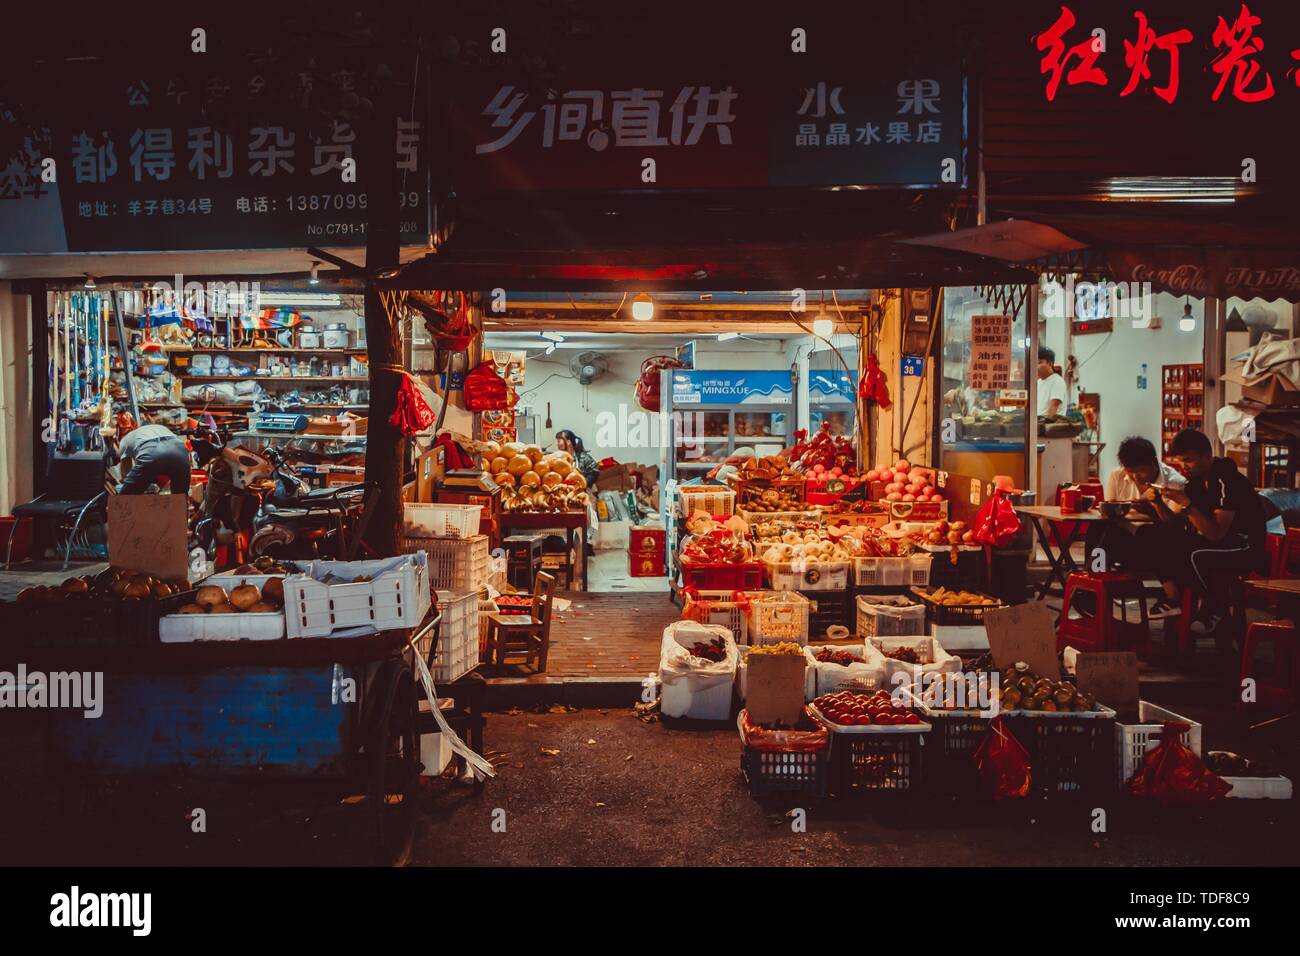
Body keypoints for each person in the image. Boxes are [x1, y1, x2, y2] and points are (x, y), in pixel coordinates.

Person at [1145, 427, 1268, 633]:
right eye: (1181, 461)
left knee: (1193, 554)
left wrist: (1187, 505)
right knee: (1153, 535)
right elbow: (1178, 525)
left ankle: (1216, 605)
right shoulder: (1195, 482)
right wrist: (1158, 504)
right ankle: (1173, 597)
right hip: (1216, 543)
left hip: (1244, 547)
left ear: (1207, 455)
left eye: (1189, 460)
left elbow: (1216, 534)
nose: (1184, 467)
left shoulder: (1228, 481)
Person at [1085, 436, 1186, 616]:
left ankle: (1172, 594)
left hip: (1160, 550)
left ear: (1154, 462)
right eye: (1130, 471)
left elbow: (1174, 528)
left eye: (1141, 471)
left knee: (1150, 533)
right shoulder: (1118, 476)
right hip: (1125, 545)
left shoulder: (1175, 483)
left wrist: (1154, 509)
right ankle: (1094, 580)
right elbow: (1110, 512)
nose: (1135, 477)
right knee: (1099, 530)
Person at [106, 422, 192, 495]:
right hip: (179, 450)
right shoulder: (159, 427)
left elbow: (127, 474)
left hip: (151, 451)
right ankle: (182, 514)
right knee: (180, 497)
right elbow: (165, 461)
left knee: (127, 496)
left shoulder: (124, 441)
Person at [1036, 347, 1068, 418]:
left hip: (1049, 427)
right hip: (1037, 424)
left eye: (1039, 362)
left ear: (1050, 364)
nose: (1035, 366)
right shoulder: (1038, 382)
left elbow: (1053, 407)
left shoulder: (1057, 381)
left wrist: (1041, 426)